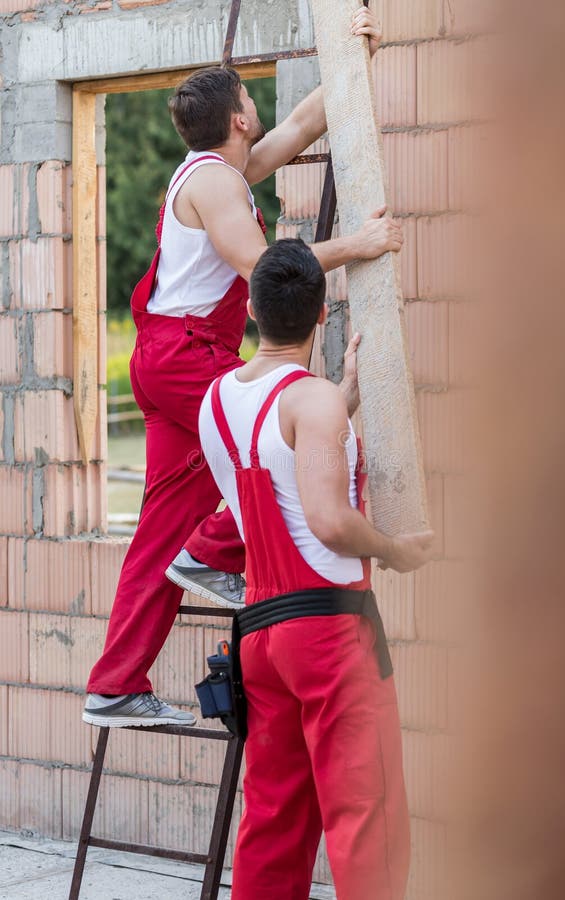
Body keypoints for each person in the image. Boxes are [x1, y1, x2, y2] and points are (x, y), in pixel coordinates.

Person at [82, 7, 400, 728]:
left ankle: (115, 685)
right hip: (185, 354)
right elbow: (266, 269)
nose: (260, 109)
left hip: (171, 355)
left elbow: (302, 126)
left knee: (161, 532)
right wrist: (360, 245)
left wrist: (354, 62)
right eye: (251, 100)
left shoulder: (225, 172)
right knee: (268, 440)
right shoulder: (215, 185)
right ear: (237, 119)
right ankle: (213, 553)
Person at [198, 238, 434, 899]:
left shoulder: (216, 401)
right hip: (328, 636)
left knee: (273, 820)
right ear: (322, 313)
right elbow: (328, 521)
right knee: (366, 819)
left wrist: (342, 402)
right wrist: (394, 550)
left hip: (259, 636)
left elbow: (276, 458)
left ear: (252, 309)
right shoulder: (313, 401)